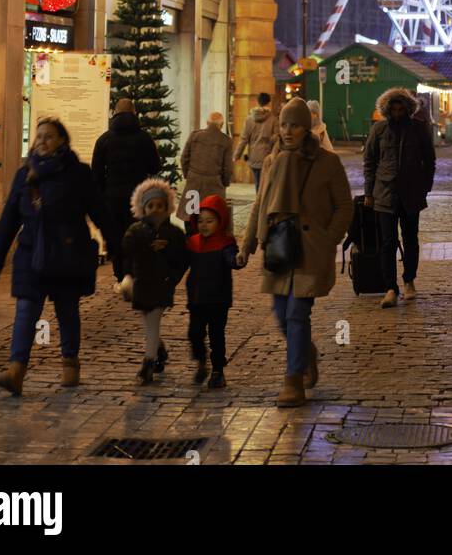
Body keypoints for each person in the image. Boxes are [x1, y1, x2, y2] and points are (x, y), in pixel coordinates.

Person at [0, 118, 118, 396]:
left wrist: (116, 246)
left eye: (49, 137)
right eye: (39, 137)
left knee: (67, 309)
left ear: (62, 140)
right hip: (31, 252)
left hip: (67, 252)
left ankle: (70, 362)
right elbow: (10, 217)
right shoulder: (25, 174)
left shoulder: (79, 173)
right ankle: (16, 370)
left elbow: (99, 211)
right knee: (26, 310)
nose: (42, 142)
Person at [238, 97, 352, 408]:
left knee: (296, 313)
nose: (288, 131)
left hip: (310, 249)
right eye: (285, 124)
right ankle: (306, 355)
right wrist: (248, 244)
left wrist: (329, 239)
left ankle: (293, 381)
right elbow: (261, 205)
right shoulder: (274, 161)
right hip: (278, 247)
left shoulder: (327, 163)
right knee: (281, 316)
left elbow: (344, 206)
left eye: (296, 125)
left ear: (307, 127)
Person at [363, 86, 436, 309]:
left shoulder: (419, 129)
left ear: (406, 109)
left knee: (410, 239)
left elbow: (429, 160)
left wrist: (425, 187)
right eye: (393, 109)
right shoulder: (379, 130)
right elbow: (370, 162)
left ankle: (409, 280)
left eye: (400, 109)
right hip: (384, 194)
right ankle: (390, 288)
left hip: (411, 193)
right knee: (387, 243)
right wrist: (369, 192)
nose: (396, 113)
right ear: (387, 110)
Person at [119, 178, 187, 384]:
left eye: (160, 206)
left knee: (152, 320)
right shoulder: (136, 231)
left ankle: (148, 364)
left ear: (167, 208)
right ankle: (159, 349)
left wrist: (172, 278)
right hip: (142, 283)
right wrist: (128, 275)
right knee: (148, 321)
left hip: (162, 284)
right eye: (151, 206)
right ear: (143, 208)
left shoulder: (174, 234)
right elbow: (127, 254)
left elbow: (182, 260)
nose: (155, 210)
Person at [91, 98, 160, 276]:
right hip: (138, 195)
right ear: (134, 113)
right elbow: (154, 167)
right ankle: (134, 272)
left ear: (114, 113)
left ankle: (120, 274)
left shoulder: (104, 140)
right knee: (136, 233)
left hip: (112, 196)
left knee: (115, 235)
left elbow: (96, 173)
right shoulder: (144, 138)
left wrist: (101, 196)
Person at [184, 193, 240, 389]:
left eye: (210, 221)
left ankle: (217, 370)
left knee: (217, 335)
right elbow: (181, 264)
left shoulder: (225, 243)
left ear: (220, 221)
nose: (204, 225)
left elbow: (232, 259)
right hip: (197, 298)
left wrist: (238, 260)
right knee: (194, 333)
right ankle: (201, 361)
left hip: (218, 299)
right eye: (201, 221)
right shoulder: (193, 243)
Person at [177, 111, 234, 219]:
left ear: (207, 123)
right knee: (212, 215)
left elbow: (184, 158)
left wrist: (188, 175)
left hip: (194, 181)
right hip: (214, 185)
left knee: (191, 214)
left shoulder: (195, 136)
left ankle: (191, 235)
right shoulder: (226, 141)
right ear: (221, 125)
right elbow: (227, 168)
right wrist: (224, 183)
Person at [234, 91, 278, 191]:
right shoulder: (273, 119)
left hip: (253, 156)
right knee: (267, 182)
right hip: (268, 155)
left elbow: (244, 139)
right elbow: (276, 138)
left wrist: (236, 155)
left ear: (258, 102)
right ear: (269, 102)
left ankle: (259, 200)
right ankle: (263, 203)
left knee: (258, 181)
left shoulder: (249, 119)